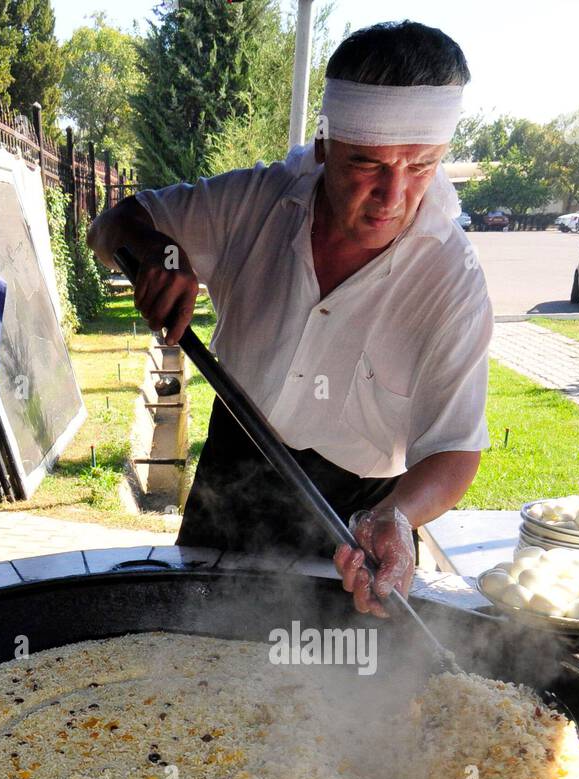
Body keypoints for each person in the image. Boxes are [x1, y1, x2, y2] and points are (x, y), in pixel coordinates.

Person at [88, 20, 493, 616]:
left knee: (328, 685)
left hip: (359, 512)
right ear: (325, 146)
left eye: (420, 165)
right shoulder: (254, 203)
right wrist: (157, 252)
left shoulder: (451, 279)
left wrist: (398, 517)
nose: (392, 196)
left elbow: (455, 447)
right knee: (185, 662)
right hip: (235, 470)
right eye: (366, 164)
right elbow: (112, 225)